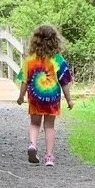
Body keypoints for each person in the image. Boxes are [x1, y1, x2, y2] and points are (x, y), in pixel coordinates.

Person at [16, 23, 74, 165]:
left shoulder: (29, 60)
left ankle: (33, 145)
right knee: (49, 126)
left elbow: (24, 81)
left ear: (35, 40)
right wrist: (69, 100)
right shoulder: (57, 59)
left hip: (35, 96)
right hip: (52, 97)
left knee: (35, 124)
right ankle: (49, 157)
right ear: (55, 40)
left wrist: (21, 96)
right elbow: (64, 82)